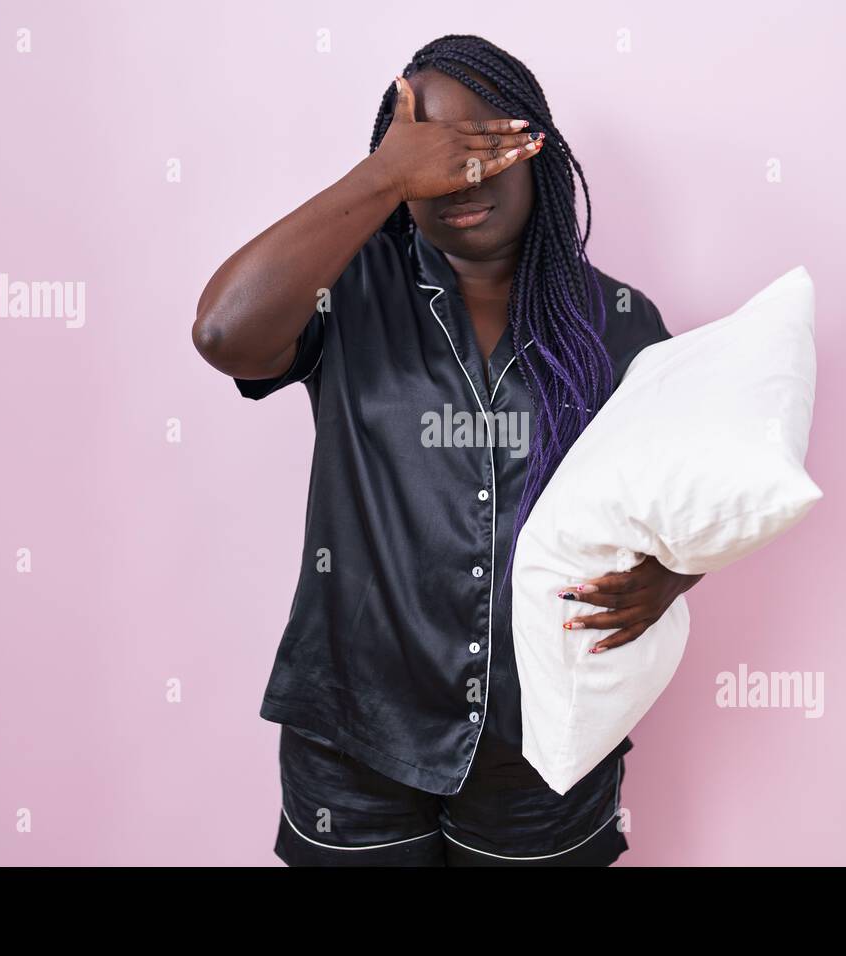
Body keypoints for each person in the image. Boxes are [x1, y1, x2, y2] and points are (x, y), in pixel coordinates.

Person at [193, 34, 702, 867]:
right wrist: (382, 177)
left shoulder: (617, 319)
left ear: (537, 149)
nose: (458, 177)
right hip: (357, 736)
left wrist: (676, 573)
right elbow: (224, 332)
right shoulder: (346, 292)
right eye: (427, 156)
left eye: (482, 147)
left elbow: (699, 487)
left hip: (545, 744)